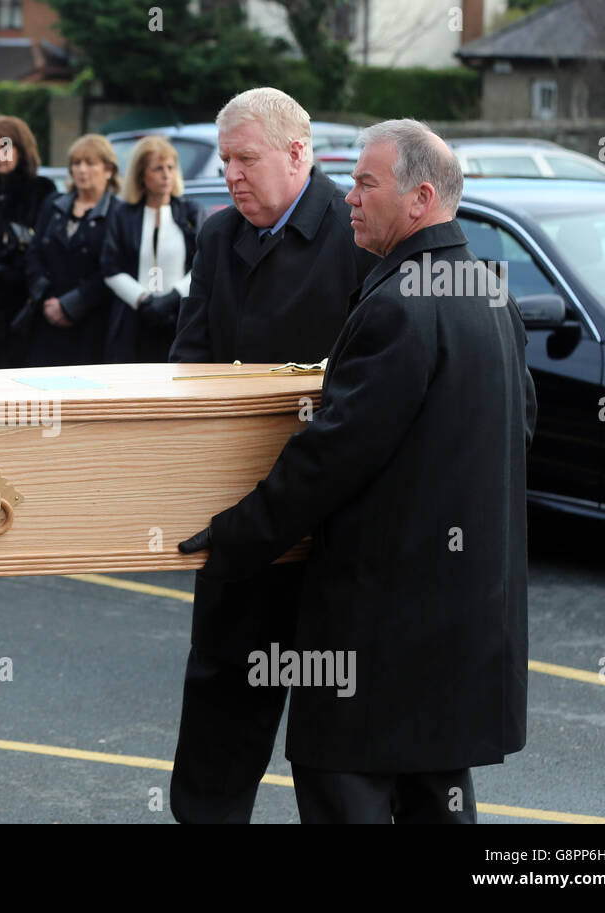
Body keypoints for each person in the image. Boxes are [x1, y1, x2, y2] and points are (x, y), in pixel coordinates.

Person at [179, 118, 536, 824]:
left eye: (366, 184)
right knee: (437, 795)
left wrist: (235, 536)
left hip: (378, 633)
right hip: (460, 618)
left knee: (349, 790)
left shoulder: (399, 305)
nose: (348, 198)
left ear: (419, 197)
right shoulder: (488, 292)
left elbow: (332, 457)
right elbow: (519, 426)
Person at [166, 87, 378, 825]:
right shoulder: (218, 235)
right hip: (237, 522)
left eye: (244, 159)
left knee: (335, 743)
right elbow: (190, 363)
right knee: (220, 715)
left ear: (297, 154)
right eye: (224, 161)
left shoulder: (356, 237)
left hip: (329, 529)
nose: (229, 175)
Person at [102, 136, 204, 364]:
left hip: (179, 317)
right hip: (133, 319)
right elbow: (110, 265)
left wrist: (173, 296)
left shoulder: (190, 211)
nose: (166, 175)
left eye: (170, 167)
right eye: (158, 168)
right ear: (141, 175)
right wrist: (143, 300)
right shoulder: (123, 215)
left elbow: (203, 262)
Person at [0, 115, 56, 369]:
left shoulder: (41, 190)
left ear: (21, 149)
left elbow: (41, 249)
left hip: (21, 302)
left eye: (4, 146)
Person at [22, 133, 119, 368]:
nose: (82, 170)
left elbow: (112, 268)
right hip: (46, 320)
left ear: (108, 170)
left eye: (90, 163)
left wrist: (70, 305)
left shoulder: (119, 212)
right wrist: (48, 300)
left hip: (92, 324)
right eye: (76, 163)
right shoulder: (54, 204)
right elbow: (34, 254)